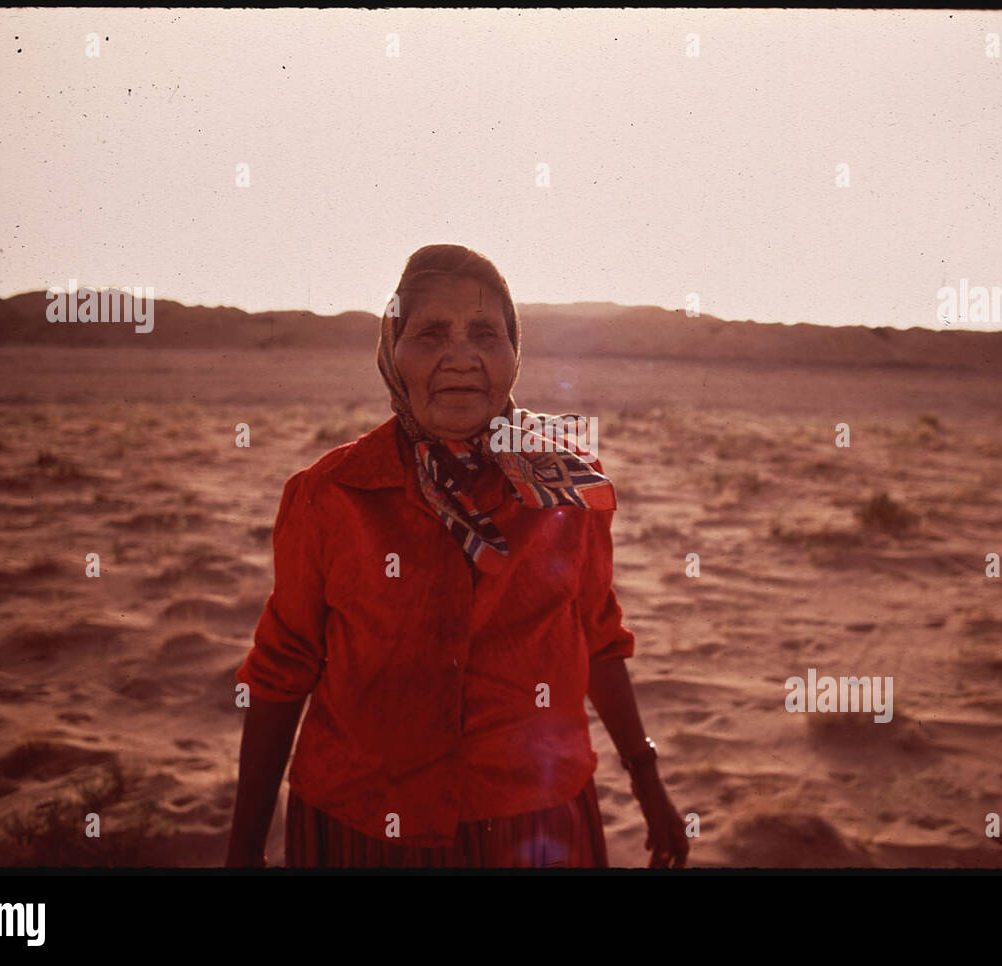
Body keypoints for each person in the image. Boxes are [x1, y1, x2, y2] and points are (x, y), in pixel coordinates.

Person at [225, 244, 688, 868]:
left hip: (533, 822)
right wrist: (244, 851)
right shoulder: (330, 494)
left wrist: (647, 780)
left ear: (514, 352)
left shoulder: (569, 485)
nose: (462, 357)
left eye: (486, 334)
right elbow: (282, 671)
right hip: (362, 827)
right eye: (432, 333)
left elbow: (596, 637)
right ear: (393, 352)